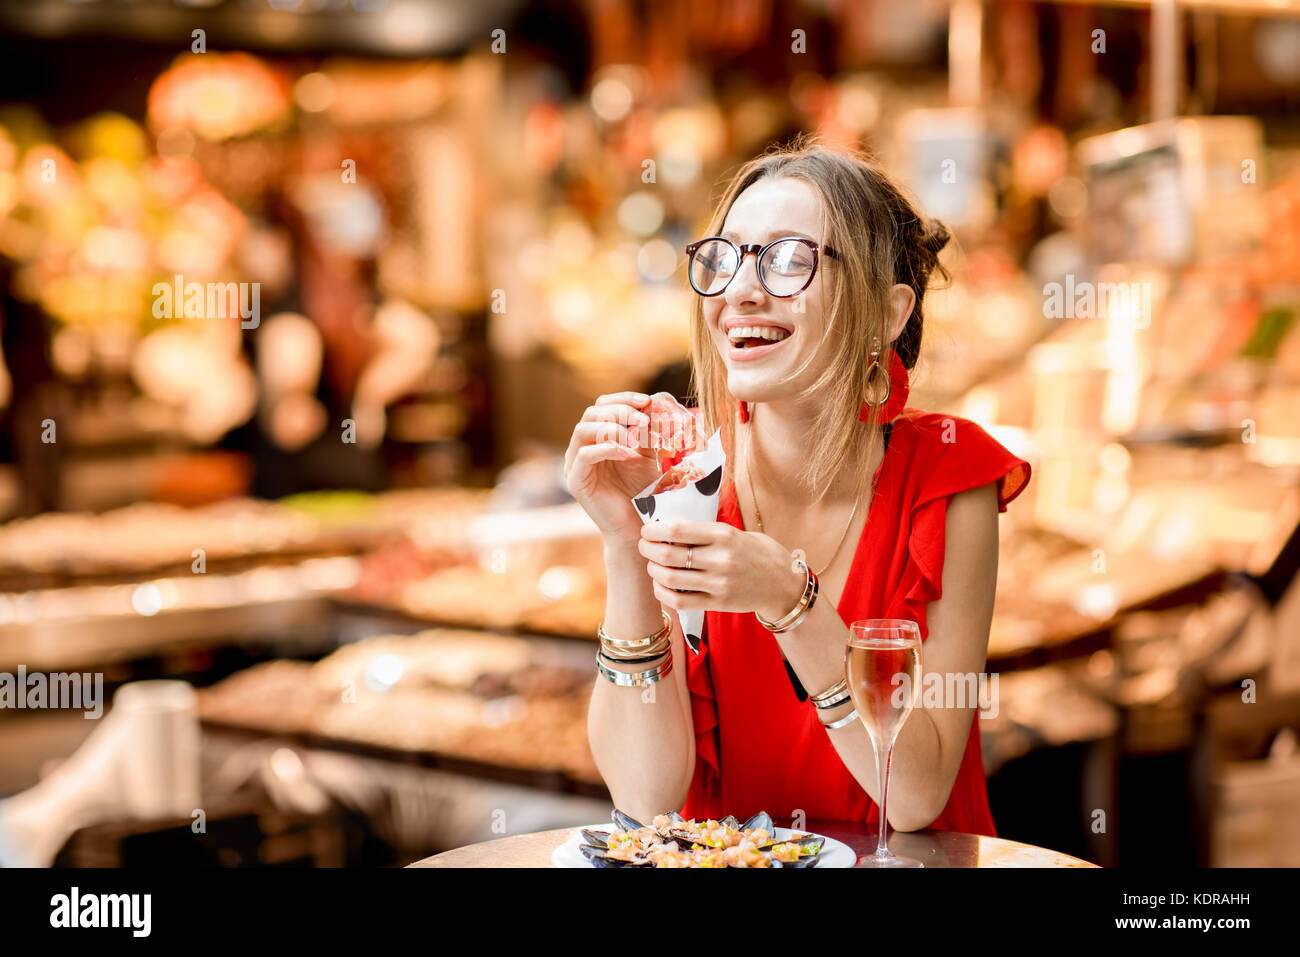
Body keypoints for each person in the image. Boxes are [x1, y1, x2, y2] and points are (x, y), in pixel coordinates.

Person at [564, 137, 1030, 836]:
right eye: (726, 259)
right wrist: (629, 542)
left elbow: (915, 793)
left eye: (788, 259)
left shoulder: (948, 476)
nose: (741, 291)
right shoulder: (689, 480)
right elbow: (646, 796)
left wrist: (791, 599)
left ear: (887, 311)